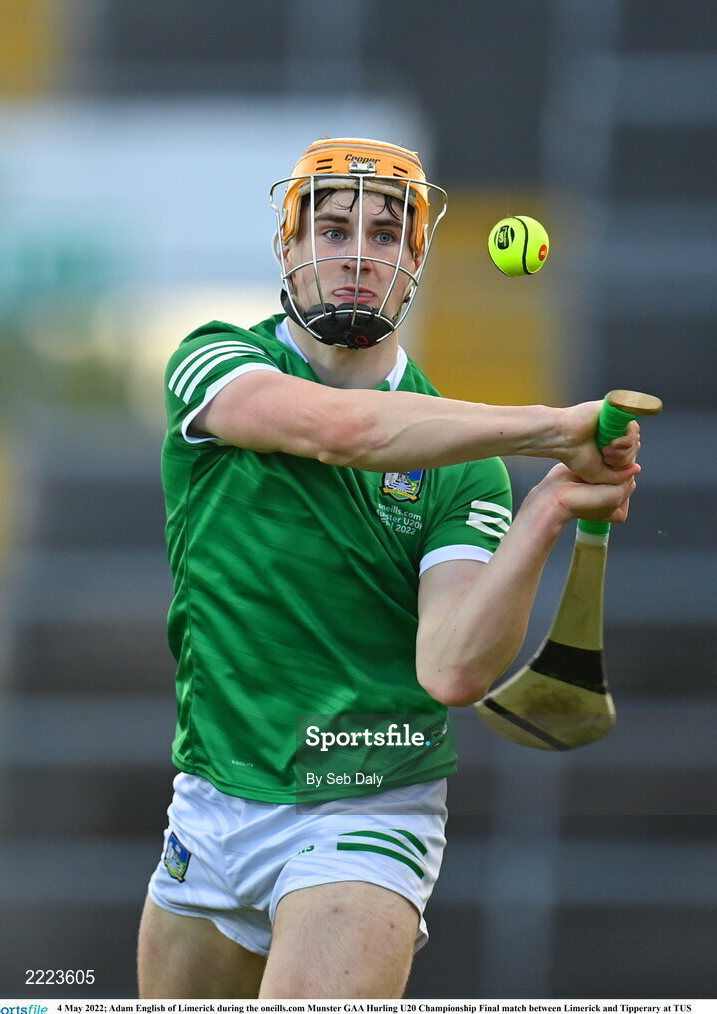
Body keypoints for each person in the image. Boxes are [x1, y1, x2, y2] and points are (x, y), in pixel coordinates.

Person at [137, 137, 640, 999]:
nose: (360, 255)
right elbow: (345, 432)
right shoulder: (215, 362)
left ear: (415, 261)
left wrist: (548, 507)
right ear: (288, 249)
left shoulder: (465, 463)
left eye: (387, 233)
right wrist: (557, 427)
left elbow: (452, 669)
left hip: (367, 806)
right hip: (212, 803)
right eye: (333, 229)